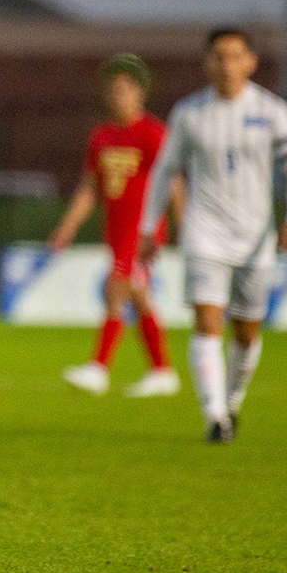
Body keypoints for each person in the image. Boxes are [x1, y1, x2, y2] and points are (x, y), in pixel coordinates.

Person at [139, 28, 287, 443]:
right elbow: (165, 171)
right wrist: (149, 226)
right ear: (207, 63)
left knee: (247, 332)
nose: (226, 64)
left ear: (250, 62)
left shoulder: (271, 110)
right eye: (218, 56)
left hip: (256, 237)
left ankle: (232, 400)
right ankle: (215, 416)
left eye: (235, 56)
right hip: (205, 233)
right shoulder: (189, 113)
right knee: (206, 321)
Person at [50, 53, 183, 398]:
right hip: (116, 229)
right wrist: (68, 227)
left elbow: (174, 183)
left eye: (124, 89)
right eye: (112, 90)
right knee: (138, 297)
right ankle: (162, 371)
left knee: (116, 288)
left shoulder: (153, 134)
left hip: (143, 231)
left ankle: (99, 368)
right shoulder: (102, 136)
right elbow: (88, 188)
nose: (117, 96)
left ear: (140, 93)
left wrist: (183, 226)